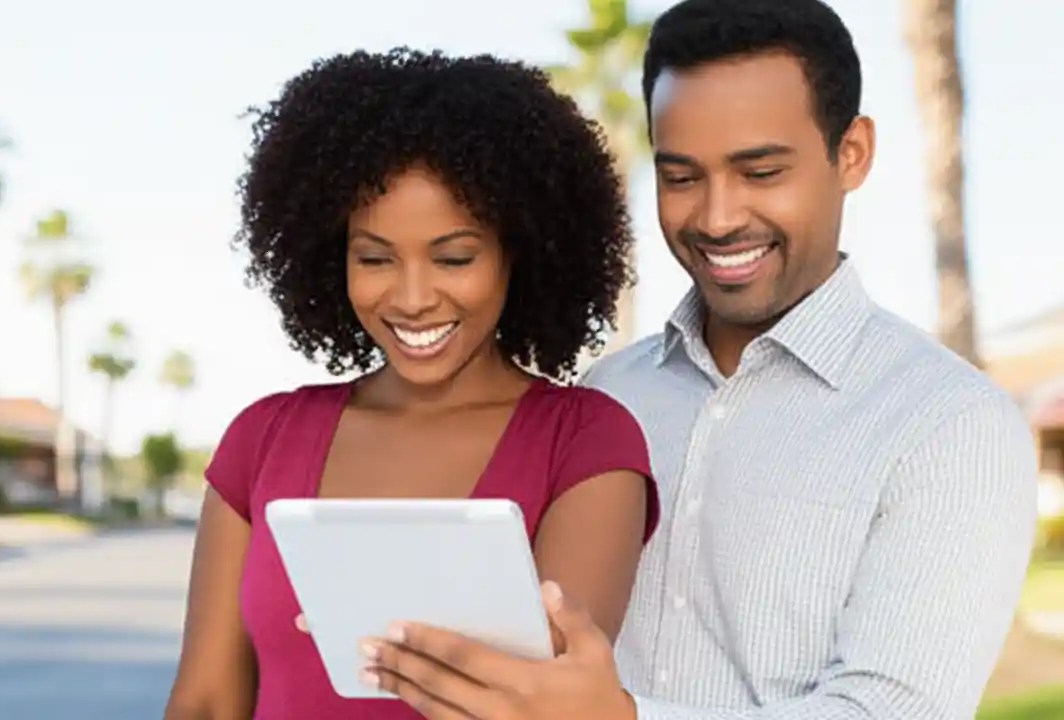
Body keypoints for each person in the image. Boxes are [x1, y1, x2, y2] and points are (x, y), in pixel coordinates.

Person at [346, 1, 1041, 718]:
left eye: (761, 172)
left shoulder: (951, 424)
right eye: (681, 177)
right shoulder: (608, 394)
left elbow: (889, 711)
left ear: (852, 154)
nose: (716, 217)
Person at [163, 48, 661, 720]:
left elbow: (542, 705)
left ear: (520, 250)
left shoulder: (586, 442)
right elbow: (204, 702)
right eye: (374, 258)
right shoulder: (264, 439)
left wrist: (388, 648)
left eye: (454, 257)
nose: (413, 297)